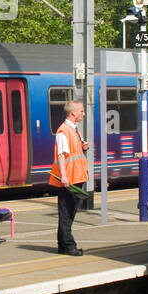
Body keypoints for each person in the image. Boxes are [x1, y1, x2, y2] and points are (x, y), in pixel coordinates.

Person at [49, 100, 88, 255]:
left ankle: (63, 245)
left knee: (69, 212)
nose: (83, 114)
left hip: (77, 176)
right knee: (66, 213)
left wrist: (84, 147)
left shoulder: (74, 130)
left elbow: (73, 153)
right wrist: (64, 177)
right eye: (82, 111)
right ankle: (69, 245)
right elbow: (61, 156)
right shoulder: (63, 131)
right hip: (69, 179)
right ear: (73, 113)